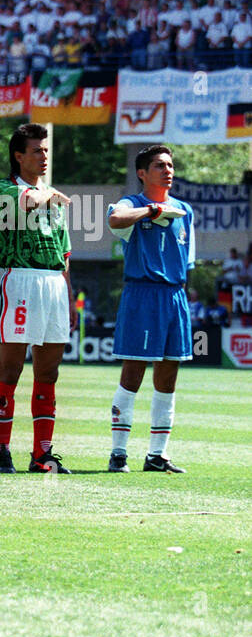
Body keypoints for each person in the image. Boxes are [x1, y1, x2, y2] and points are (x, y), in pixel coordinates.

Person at [0, 123, 75, 474]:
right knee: (10, 370)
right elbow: (25, 204)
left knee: (49, 373)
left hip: (53, 283)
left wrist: (68, 298)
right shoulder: (4, 189)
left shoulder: (54, 197)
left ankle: (42, 453)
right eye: (37, 150)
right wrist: (48, 196)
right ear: (18, 155)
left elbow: (65, 254)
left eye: (45, 150)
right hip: (20, 282)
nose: (43, 156)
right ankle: (2, 450)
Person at [106, 145, 193, 473]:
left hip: (174, 296)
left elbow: (187, 259)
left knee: (169, 373)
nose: (167, 170)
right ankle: (119, 452)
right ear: (142, 173)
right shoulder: (133, 204)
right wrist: (151, 212)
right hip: (142, 295)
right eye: (159, 165)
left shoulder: (185, 210)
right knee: (133, 372)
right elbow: (115, 218)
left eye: (170, 165)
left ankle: (157, 455)